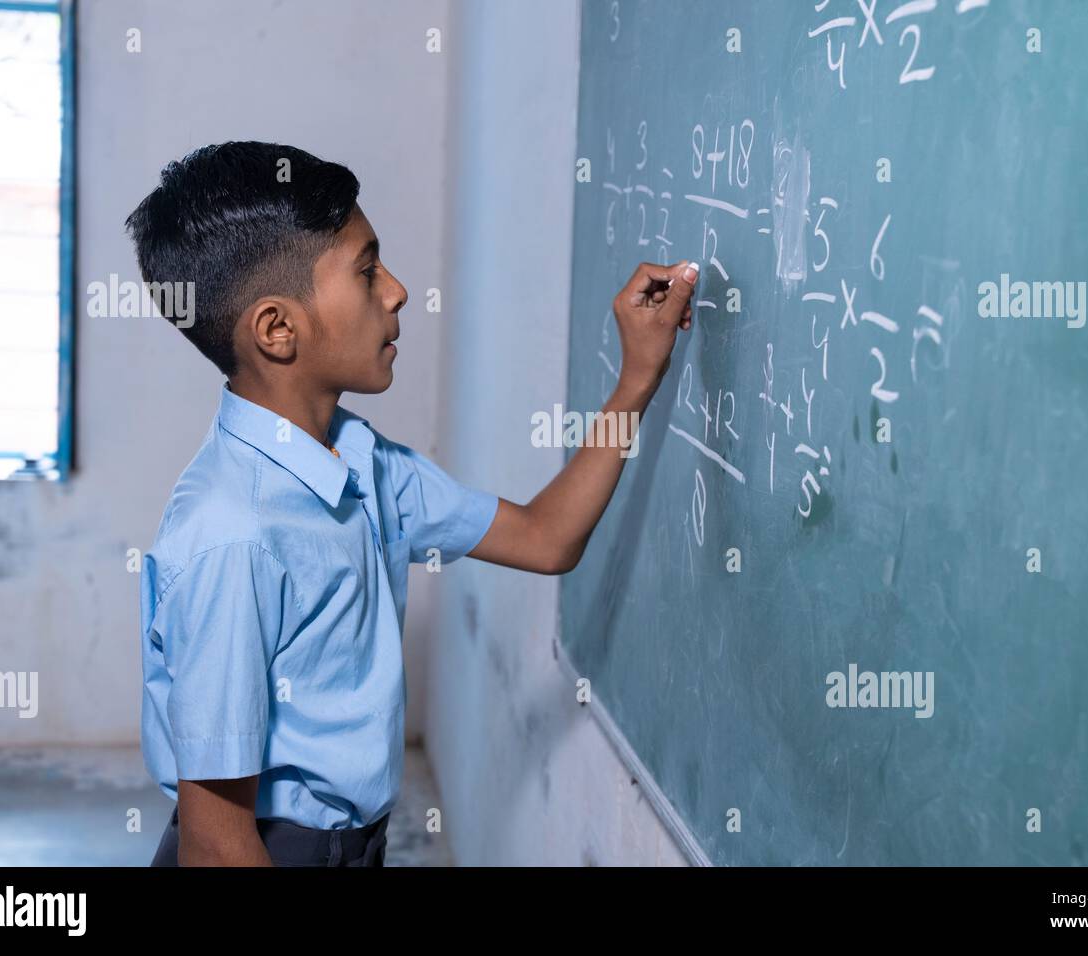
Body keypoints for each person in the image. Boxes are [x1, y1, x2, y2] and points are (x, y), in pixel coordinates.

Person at [127, 141, 698, 866]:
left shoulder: (359, 461)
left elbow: (547, 537)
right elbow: (215, 842)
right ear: (278, 329)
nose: (396, 291)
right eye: (367, 272)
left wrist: (635, 380)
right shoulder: (231, 535)